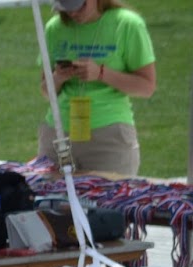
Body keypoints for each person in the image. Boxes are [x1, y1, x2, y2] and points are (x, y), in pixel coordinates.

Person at [39, 0, 156, 177]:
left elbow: (146, 86)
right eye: (65, 8)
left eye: (78, 7)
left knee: (107, 202)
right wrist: (58, 78)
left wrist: (101, 73)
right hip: (58, 133)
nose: (72, 14)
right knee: (49, 201)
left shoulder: (127, 24)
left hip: (108, 137)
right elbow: (46, 92)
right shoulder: (54, 28)